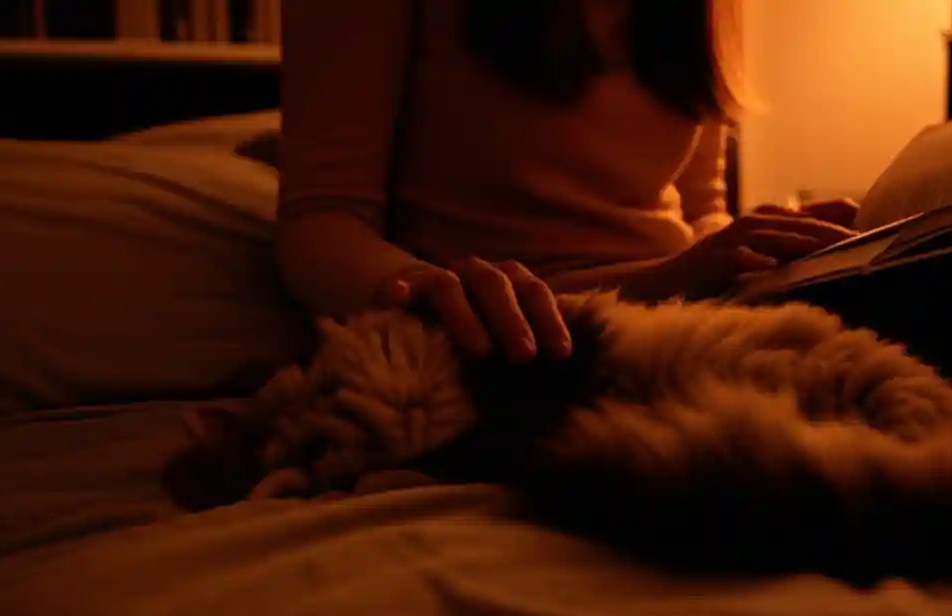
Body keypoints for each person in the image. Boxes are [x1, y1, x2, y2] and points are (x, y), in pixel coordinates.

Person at [275, 0, 858, 364]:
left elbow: (701, 206)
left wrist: (759, 251)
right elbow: (321, 222)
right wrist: (418, 291)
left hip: (690, 313)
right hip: (530, 339)